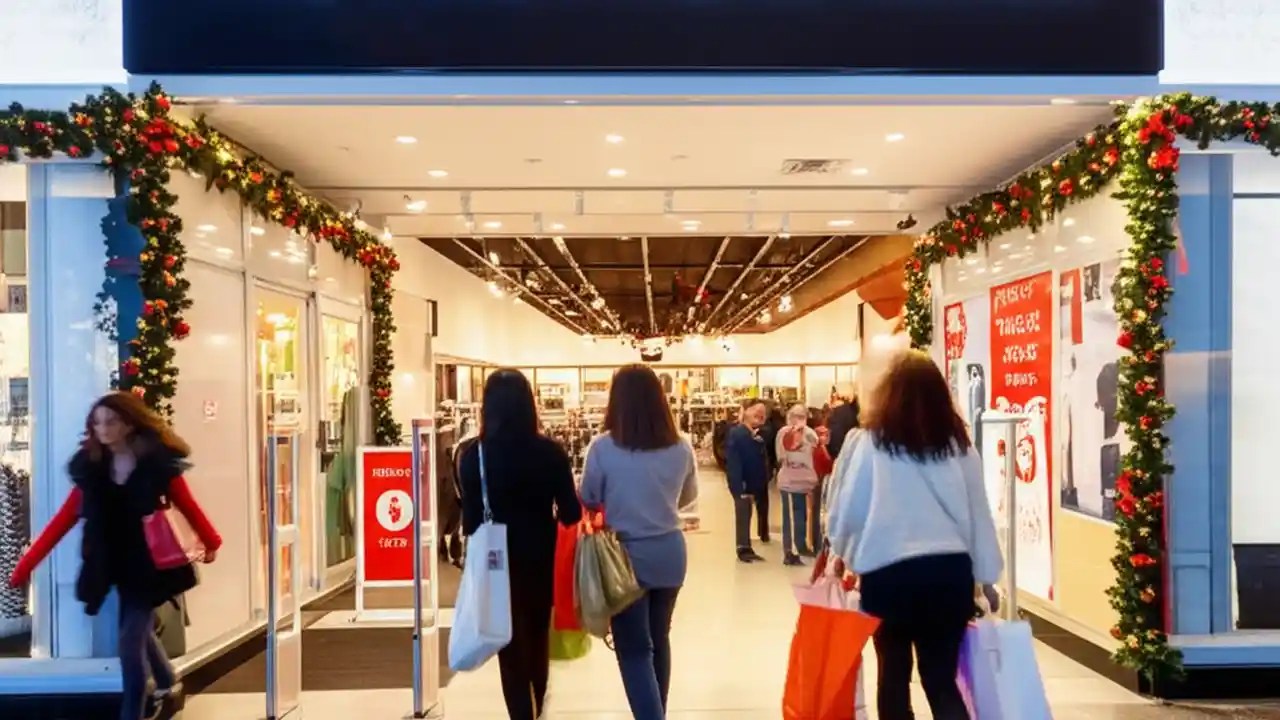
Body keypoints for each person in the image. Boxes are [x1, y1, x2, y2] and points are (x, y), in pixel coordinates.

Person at [7, 391, 222, 720]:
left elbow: (187, 505)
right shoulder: (91, 470)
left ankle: (131, 712)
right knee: (135, 632)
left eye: (111, 421)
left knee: (129, 641)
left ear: (129, 423)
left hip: (150, 565)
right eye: (97, 422)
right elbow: (61, 523)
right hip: (111, 564)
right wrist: (25, 566)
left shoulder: (156, 466)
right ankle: (167, 680)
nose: (103, 428)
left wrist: (211, 541)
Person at [826, 351, 1002, 720]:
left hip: (888, 575)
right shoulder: (959, 447)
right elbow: (978, 513)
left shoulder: (871, 443)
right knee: (941, 680)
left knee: (892, 676)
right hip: (948, 574)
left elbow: (850, 507)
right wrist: (986, 575)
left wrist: (841, 549)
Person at [457, 369, 582, 720]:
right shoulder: (550, 452)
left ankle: (520, 716)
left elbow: (469, 522)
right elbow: (570, 513)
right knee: (538, 634)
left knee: (507, 645)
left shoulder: (473, 456)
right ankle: (538, 706)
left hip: (496, 562)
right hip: (541, 555)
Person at [579, 365, 699, 720]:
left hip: (622, 558)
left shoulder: (602, 448)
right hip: (669, 554)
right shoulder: (680, 446)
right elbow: (686, 497)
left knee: (633, 650)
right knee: (658, 640)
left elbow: (589, 496)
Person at [775, 404, 824, 566]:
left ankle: (802, 546)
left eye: (800, 415)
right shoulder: (784, 433)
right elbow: (782, 456)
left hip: (806, 483)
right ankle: (790, 551)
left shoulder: (810, 434)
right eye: (794, 415)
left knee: (802, 516)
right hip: (790, 482)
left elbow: (817, 453)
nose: (797, 418)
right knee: (790, 517)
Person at [724, 398, 771, 563]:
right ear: (745, 412)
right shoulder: (738, 433)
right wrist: (738, 486)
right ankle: (742, 547)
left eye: (763, 414)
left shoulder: (755, 435)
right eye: (756, 411)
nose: (760, 415)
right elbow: (734, 462)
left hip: (752, 485)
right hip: (742, 485)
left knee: (747, 514)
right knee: (743, 514)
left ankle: (746, 546)